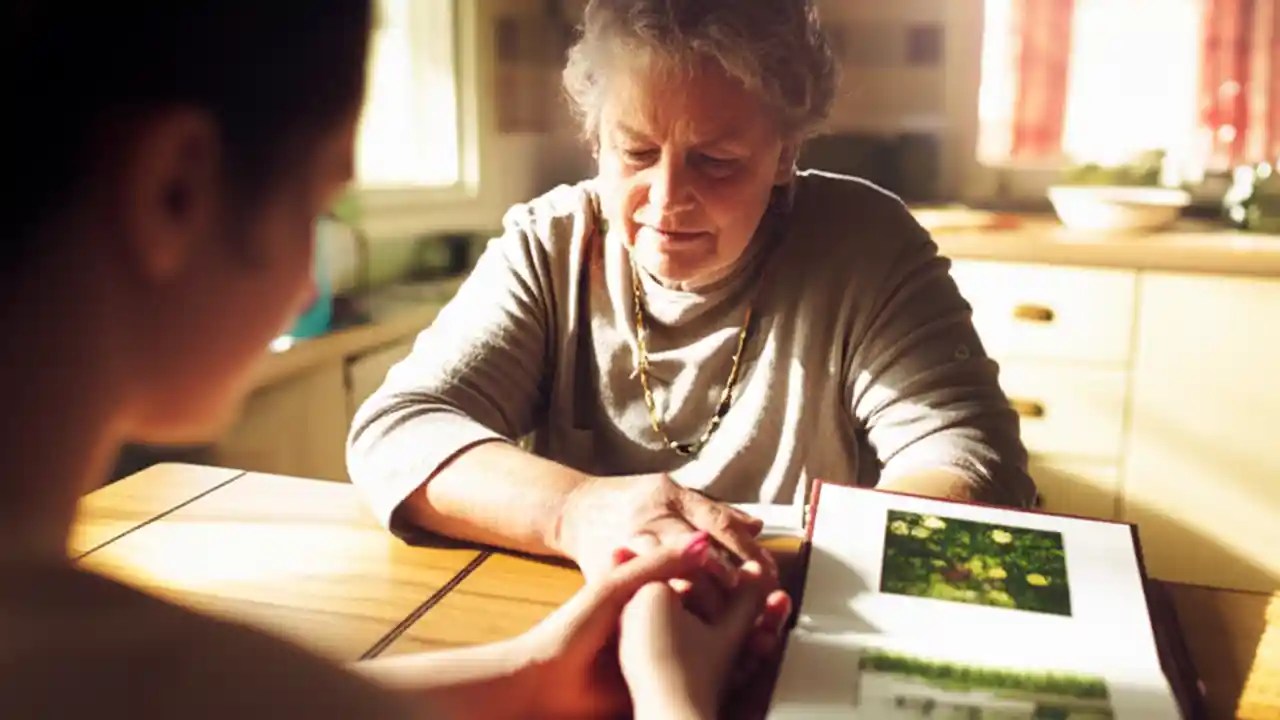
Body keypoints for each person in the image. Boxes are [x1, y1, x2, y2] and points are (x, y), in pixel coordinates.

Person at [0, 2, 787, 718]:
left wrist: (530, 667)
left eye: (717, 159)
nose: (312, 280)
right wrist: (670, 693)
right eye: (321, 203)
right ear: (174, 191)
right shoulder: (187, 676)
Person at [348, 0, 1035, 583]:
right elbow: (399, 429)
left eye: (717, 160)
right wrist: (576, 511)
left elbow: (970, 457)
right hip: (580, 618)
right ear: (596, 140)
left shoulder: (865, 244)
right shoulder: (549, 244)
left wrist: (817, 571)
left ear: (785, 154)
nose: (668, 199)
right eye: (637, 152)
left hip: (798, 612)